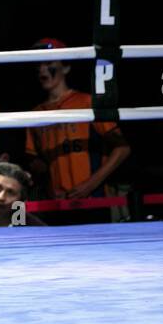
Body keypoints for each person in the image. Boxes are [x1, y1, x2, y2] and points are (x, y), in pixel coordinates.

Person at [24, 38, 132, 202]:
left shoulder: (87, 102)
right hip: (57, 205)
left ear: (66, 67)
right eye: (38, 64)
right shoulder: (35, 114)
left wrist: (90, 185)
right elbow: (35, 162)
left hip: (94, 199)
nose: (41, 69)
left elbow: (122, 148)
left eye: (48, 62)